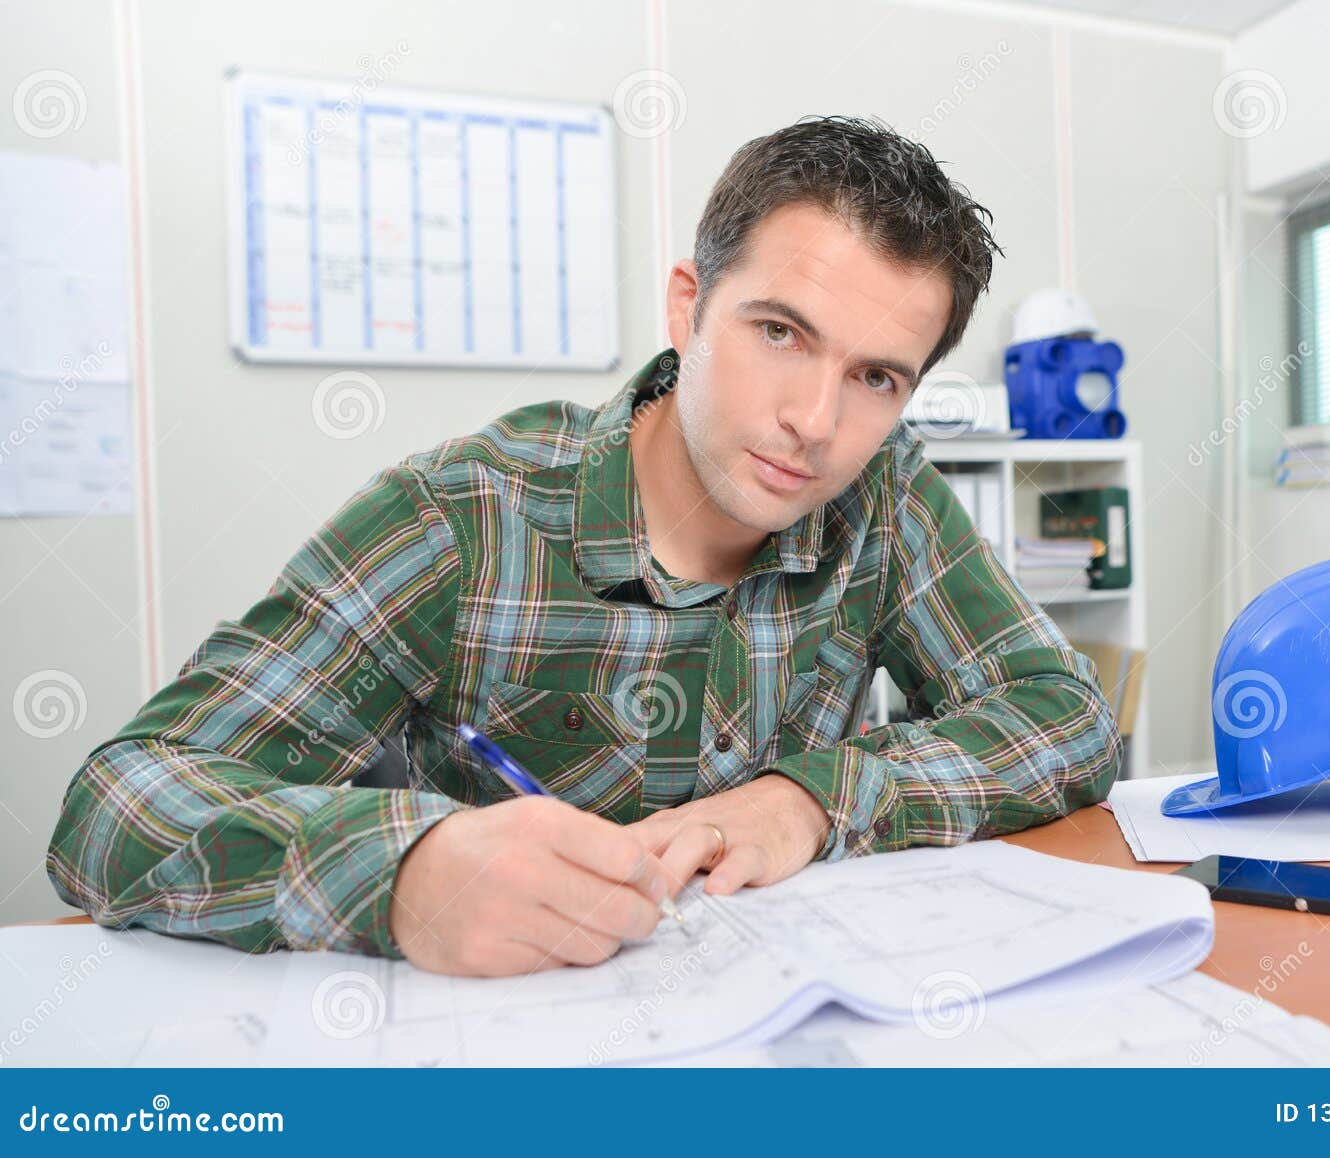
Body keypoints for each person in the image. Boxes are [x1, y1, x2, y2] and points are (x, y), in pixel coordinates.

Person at [46, 116, 1124, 978]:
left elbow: (1065, 717)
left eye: (875, 377)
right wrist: (403, 871)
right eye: (779, 333)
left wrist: (814, 796)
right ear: (688, 308)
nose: (814, 420)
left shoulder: (884, 498)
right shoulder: (458, 513)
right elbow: (119, 805)